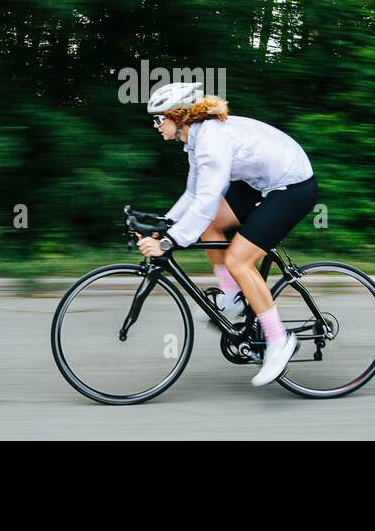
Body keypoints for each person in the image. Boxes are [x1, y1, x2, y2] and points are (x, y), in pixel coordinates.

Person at [136, 81, 318, 387]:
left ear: (177, 115)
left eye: (158, 119)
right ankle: (233, 298)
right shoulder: (195, 139)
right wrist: (164, 222)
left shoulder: (211, 140)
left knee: (239, 260)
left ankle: (279, 340)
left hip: (292, 187)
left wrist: (170, 241)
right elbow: (194, 193)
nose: (155, 126)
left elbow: (208, 199)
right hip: (261, 182)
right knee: (210, 225)